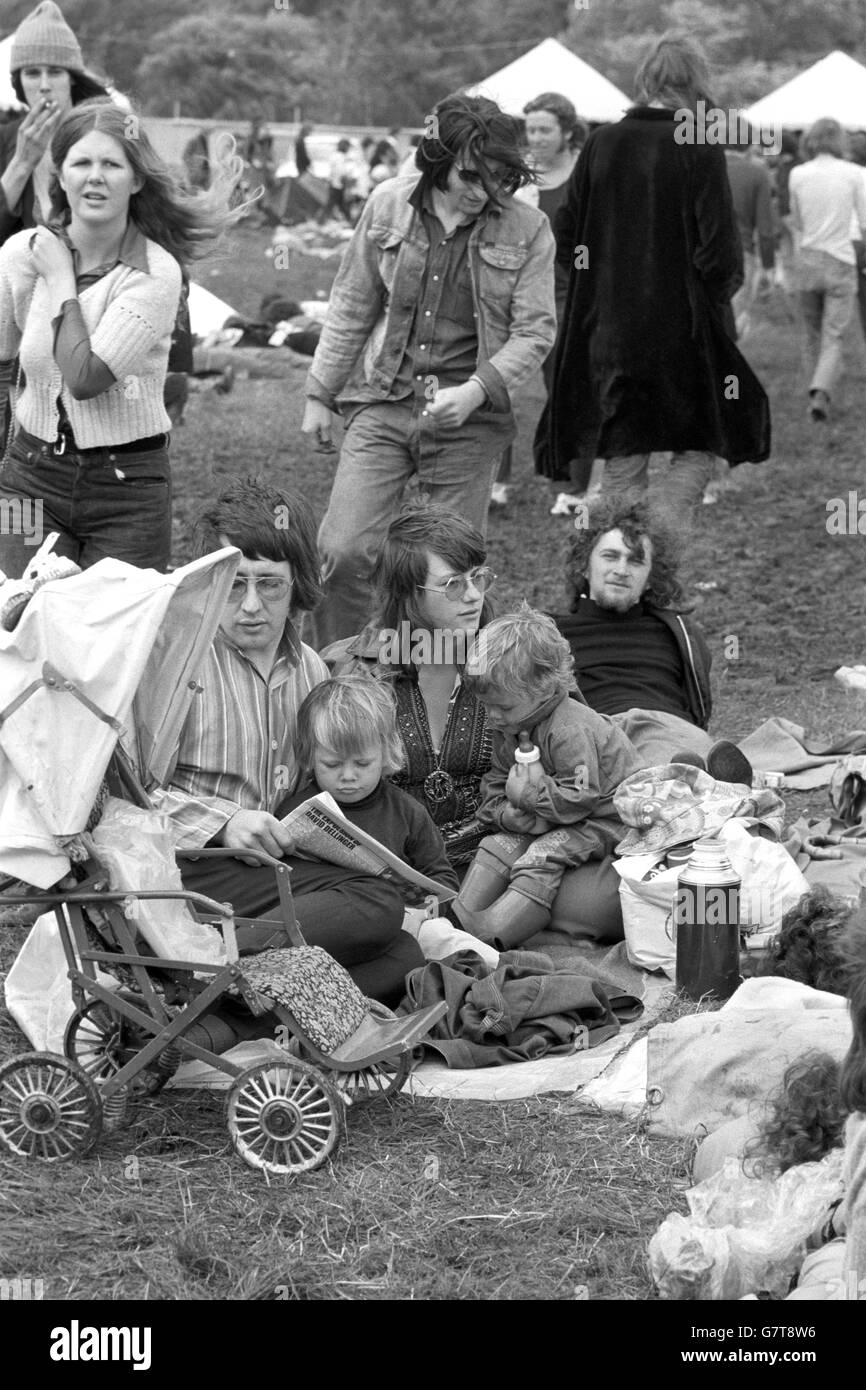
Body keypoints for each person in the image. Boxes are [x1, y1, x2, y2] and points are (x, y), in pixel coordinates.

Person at [154, 477, 423, 1007]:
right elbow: (126, 804)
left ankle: (230, 1013)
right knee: (378, 906)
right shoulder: (173, 668)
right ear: (207, 585)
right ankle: (221, 969)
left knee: (407, 957)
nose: (251, 606)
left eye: (269, 585)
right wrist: (225, 822)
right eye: (234, 584)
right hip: (192, 872)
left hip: (279, 870)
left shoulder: (310, 669)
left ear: (299, 584)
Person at [301, 92, 556, 648]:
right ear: (437, 159)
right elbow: (352, 301)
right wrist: (320, 393)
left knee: (445, 578)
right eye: (470, 175)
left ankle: (441, 702)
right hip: (383, 402)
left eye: (499, 178)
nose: (483, 191)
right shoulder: (387, 205)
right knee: (342, 552)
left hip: (468, 424)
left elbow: (536, 331)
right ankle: (334, 681)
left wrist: (475, 391)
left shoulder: (528, 228)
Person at [0, 101, 243, 577]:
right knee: (19, 625)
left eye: (112, 164)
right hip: (28, 479)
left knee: (114, 636)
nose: (96, 176)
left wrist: (60, 280)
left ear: (135, 180)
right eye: (82, 163)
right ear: (62, 175)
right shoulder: (18, 255)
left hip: (127, 491)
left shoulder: (155, 271)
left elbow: (85, 377)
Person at [540, 32, 771, 519]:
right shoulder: (697, 140)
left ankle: (622, 564)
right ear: (694, 82)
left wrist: (594, 284)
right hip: (682, 331)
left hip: (612, 330)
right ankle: (658, 552)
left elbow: (567, 233)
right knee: (698, 441)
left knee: (624, 451)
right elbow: (720, 250)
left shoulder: (601, 141)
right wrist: (717, 303)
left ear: (647, 79)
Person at [453, 605, 641, 947]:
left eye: (504, 707)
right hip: (556, 815)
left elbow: (582, 794)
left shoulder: (569, 729)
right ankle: (458, 923)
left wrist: (527, 798)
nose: (493, 717)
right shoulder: (510, 725)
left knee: (543, 856)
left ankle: (494, 938)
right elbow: (497, 781)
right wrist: (505, 813)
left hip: (608, 819)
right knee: (498, 844)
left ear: (544, 687)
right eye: (487, 706)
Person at [322, 503, 494, 870]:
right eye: (452, 584)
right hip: (391, 866)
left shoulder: (509, 658)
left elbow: (572, 741)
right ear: (407, 593)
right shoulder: (351, 672)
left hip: (497, 861)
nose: (473, 595)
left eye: (478, 577)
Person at [281, 674, 459, 898]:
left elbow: (443, 879)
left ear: (385, 754)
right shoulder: (294, 813)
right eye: (332, 764)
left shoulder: (407, 812)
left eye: (362, 763)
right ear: (308, 757)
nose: (348, 776)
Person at [493, 92, 585, 511]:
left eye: (546, 129)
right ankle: (495, 481)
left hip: (566, 292)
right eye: (531, 129)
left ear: (567, 131)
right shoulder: (516, 173)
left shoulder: (583, 172)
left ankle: (570, 485)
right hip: (511, 293)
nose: (537, 137)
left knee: (566, 387)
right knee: (496, 385)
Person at [789, 118, 866, 423]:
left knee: (810, 333)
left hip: (808, 258)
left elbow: (796, 221)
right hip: (840, 258)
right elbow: (864, 223)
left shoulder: (797, 174)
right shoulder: (856, 174)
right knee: (834, 335)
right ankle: (820, 392)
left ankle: (813, 392)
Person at [725, 133, 776, 339]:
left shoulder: (694, 167)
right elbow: (765, 227)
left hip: (696, 253)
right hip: (740, 252)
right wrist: (768, 267)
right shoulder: (756, 173)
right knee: (733, 322)